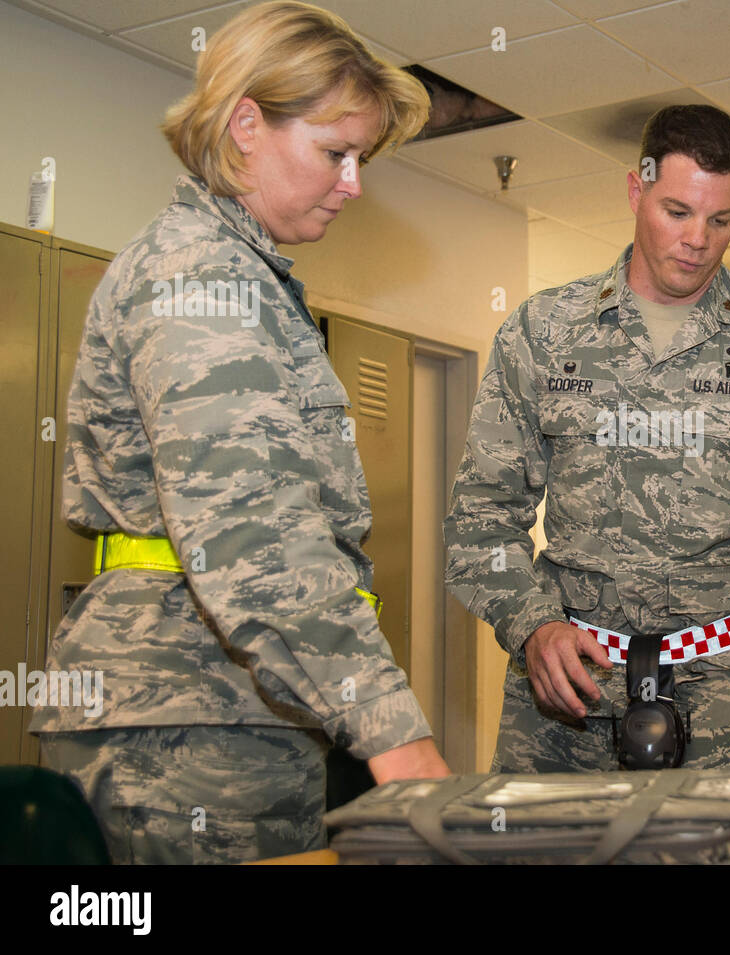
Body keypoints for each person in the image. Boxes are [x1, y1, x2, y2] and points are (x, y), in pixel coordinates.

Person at [28, 1, 448, 865]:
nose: (353, 182)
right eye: (336, 152)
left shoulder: (245, 278)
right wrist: (396, 738)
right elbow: (256, 529)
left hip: (232, 705)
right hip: (183, 724)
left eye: (360, 157)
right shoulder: (200, 276)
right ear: (246, 124)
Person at [444, 104, 730, 774]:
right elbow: (479, 524)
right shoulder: (543, 334)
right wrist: (532, 625)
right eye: (676, 211)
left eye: (720, 219)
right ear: (635, 191)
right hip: (566, 700)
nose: (697, 237)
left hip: (726, 706)